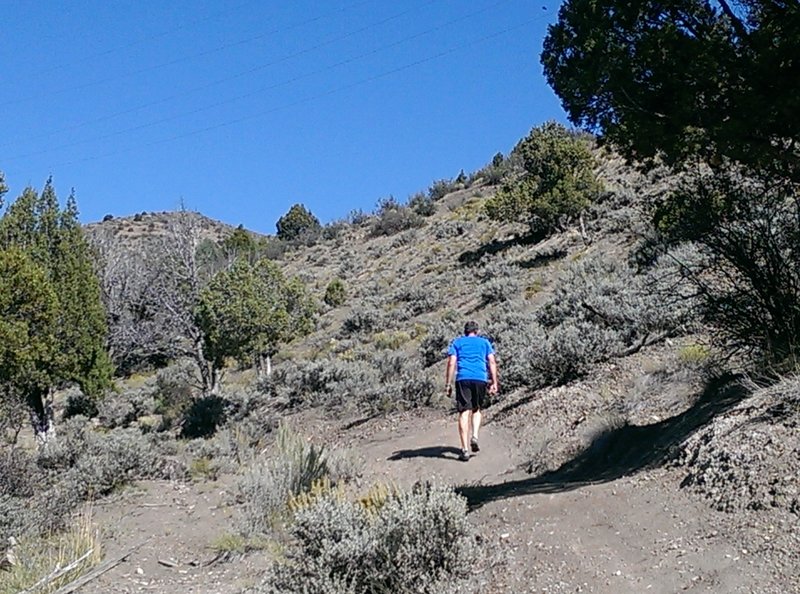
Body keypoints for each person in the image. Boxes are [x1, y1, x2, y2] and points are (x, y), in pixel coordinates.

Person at [445, 320, 498, 461]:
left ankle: (465, 449)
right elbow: (491, 362)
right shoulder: (485, 343)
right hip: (480, 378)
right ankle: (474, 436)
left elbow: (451, 362)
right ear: (477, 331)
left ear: (465, 331)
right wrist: (494, 382)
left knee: (464, 412)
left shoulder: (457, 343)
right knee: (477, 409)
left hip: (463, 378)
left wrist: (448, 384)